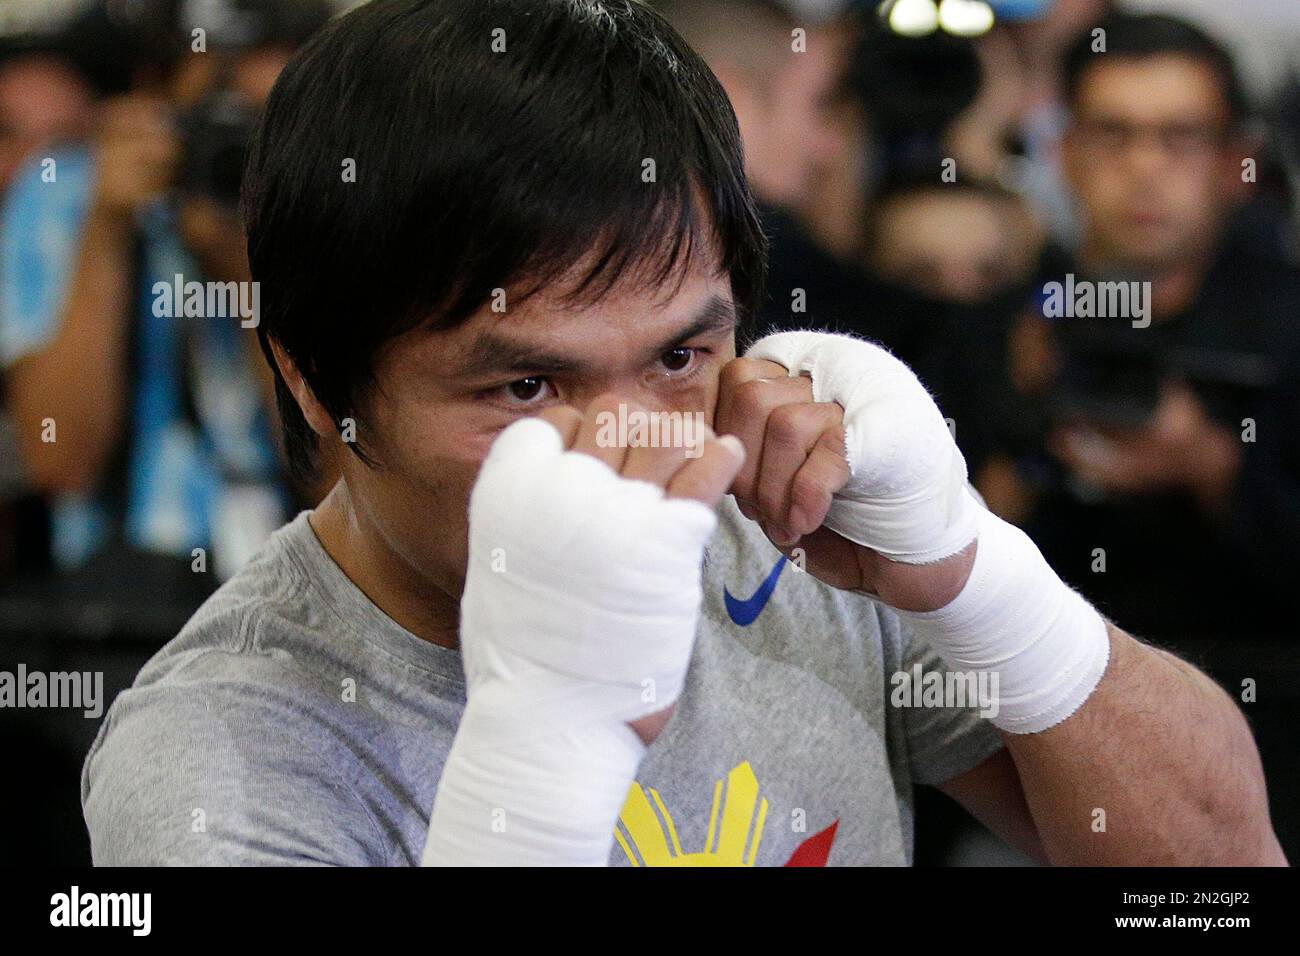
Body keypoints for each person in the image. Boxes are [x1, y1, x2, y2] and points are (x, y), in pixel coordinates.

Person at [82, 0, 1283, 867]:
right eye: (523, 387)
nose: (637, 453)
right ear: (308, 378)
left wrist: (980, 575)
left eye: (676, 356)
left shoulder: (777, 540)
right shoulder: (220, 751)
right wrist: (538, 762)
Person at [1016, 12, 1300, 642]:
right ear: (1065, 152)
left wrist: (1218, 470)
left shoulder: (1287, 330)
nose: (1144, 168)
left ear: (1235, 163)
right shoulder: (1003, 318)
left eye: (1180, 138)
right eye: (1113, 135)